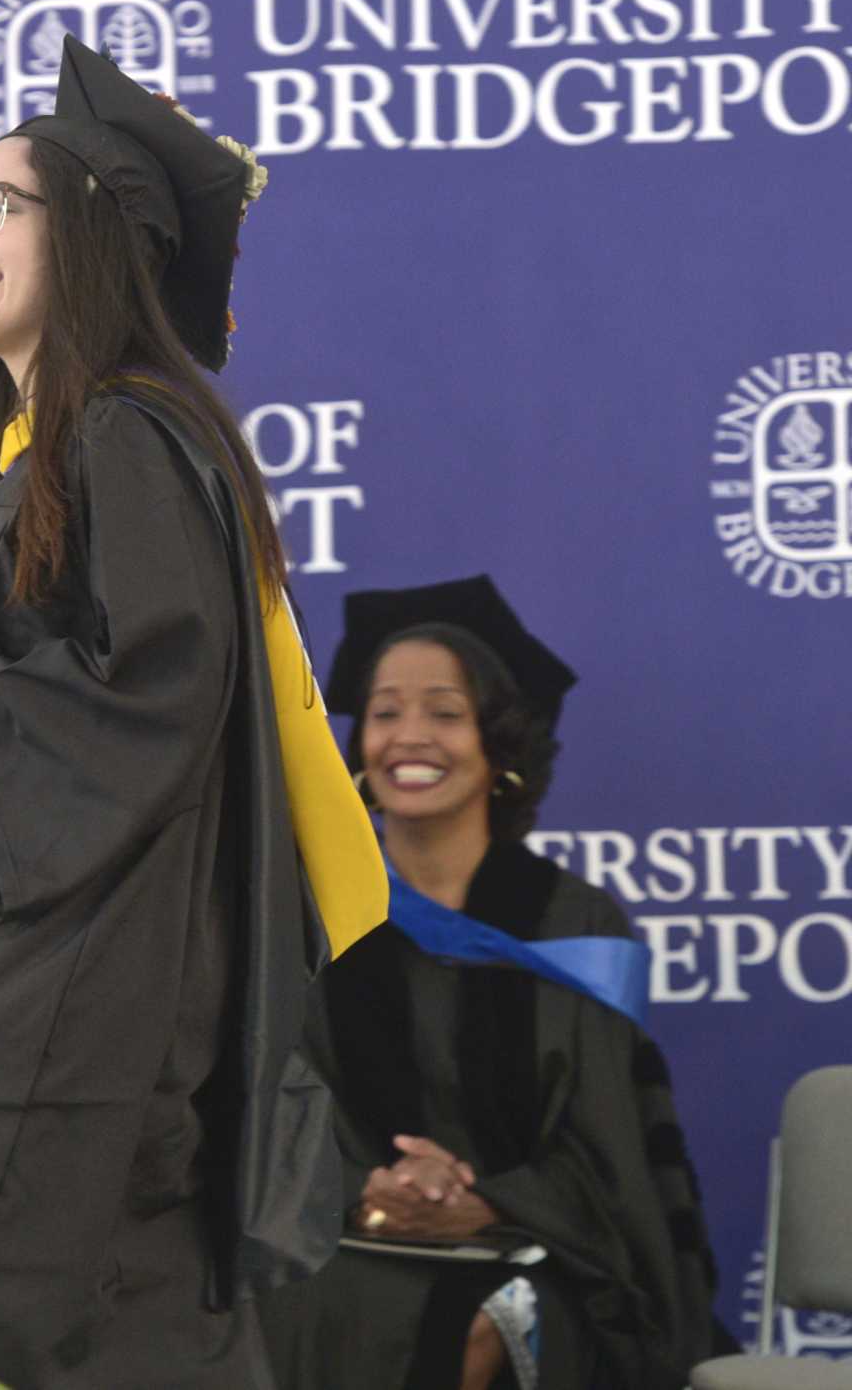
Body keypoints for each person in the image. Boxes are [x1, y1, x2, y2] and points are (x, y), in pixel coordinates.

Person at [0, 36, 386, 1388]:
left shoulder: (123, 431)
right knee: (117, 1320)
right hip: (69, 954)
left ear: (98, 239)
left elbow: (158, 680)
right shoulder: (54, 452)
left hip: (76, 965)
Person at [260, 575, 723, 1389]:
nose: (410, 737)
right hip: (343, 1239)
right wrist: (375, 1186)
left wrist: (495, 1200)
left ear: (499, 741)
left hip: (542, 1251)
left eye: (446, 712)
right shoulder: (317, 911)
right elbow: (281, 1093)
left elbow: (610, 1146)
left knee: (476, 1323)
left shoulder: (572, 925)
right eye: (384, 711)